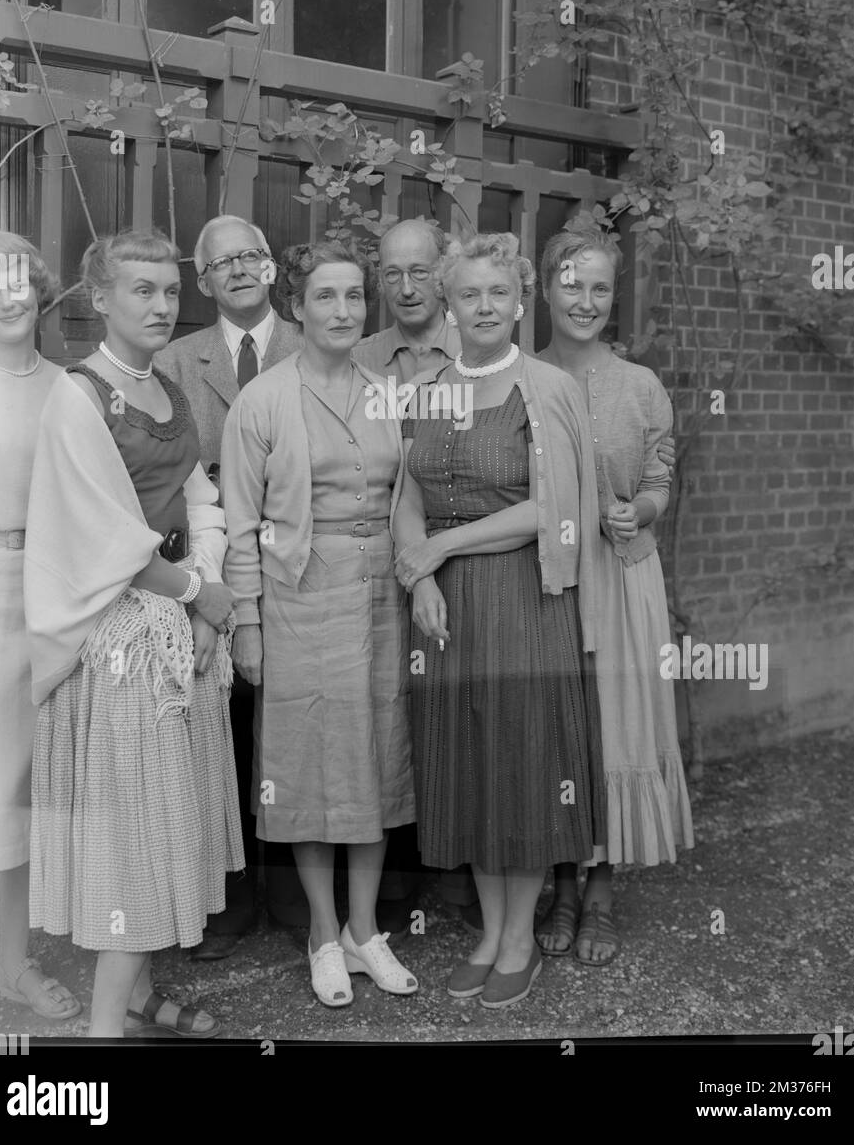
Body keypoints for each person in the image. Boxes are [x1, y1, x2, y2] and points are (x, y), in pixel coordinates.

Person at [24, 230, 244, 1037]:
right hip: (119, 641)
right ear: (100, 300)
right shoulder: (78, 397)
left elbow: (199, 499)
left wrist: (209, 582)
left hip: (175, 625)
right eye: (140, 290)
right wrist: (197, 593)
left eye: (167, 289)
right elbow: (104, 540)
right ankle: (103, 1035)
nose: (160, 304)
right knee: (132, 841)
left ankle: (144, 995)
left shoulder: (171, 392)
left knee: (163, 821)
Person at [392, 231, 606, 1008]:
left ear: (521, 301)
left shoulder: (546, 388)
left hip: (523, 598)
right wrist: (419, 576)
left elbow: (553, 509)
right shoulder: (426, 387)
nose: (484, 307)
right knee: (473, 768)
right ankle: (489, 931)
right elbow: (409, 495)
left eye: (498, 293)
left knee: (520, 768)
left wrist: (442, 546)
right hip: (447, 608)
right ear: (448, 304)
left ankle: (521, 940)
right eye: (469, 294)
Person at [222, 240, 418, 1008]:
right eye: (326, 297)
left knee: (373, 758)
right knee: (307, 764)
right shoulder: (263, 402)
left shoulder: (383, 393)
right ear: (297, 308)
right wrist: (246, 621)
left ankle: (367, 932)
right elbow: (241, 526)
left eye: (353, 297)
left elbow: (406, 498)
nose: (342, 311)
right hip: (298, 598)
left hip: (378, 600)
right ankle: (321, 933)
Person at [535, 226, 694, 965]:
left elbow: (661, 478)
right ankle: (560, 883)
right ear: (545, 288)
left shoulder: (641, 385)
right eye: (572, 284)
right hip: (545, 583)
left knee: (613, 727)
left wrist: (645, 509)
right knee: (561, 730)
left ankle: (598, 890)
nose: (586, 301)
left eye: (600, 287)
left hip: (623, 577)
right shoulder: (520, 376)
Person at [154, 214, 304, 955]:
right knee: (225, 734)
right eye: (222, 263)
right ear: (203, 280)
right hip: (214, 573)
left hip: (303, 571)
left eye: (252, 255)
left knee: (298, 727)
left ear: (273, 268)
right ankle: (229, 897)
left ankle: (296, 889)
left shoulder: (315, 350)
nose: (239, 269)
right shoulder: (177, 362)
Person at [355, 218, 477, 931]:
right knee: (390, 715)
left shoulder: (477, 352)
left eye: (419, 271)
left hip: (457, 556)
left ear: (443, 274)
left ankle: (457, 872)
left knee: (455, 706)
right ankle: (400, 881)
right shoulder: (362, 354)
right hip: (378, 560)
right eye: (391, 274)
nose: (405, 287)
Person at [0, 230, 80, 1022]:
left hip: (42, 600)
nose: (10, 297)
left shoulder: (67, 387)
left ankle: (12, 965)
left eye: (21, 281)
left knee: (16, 792)